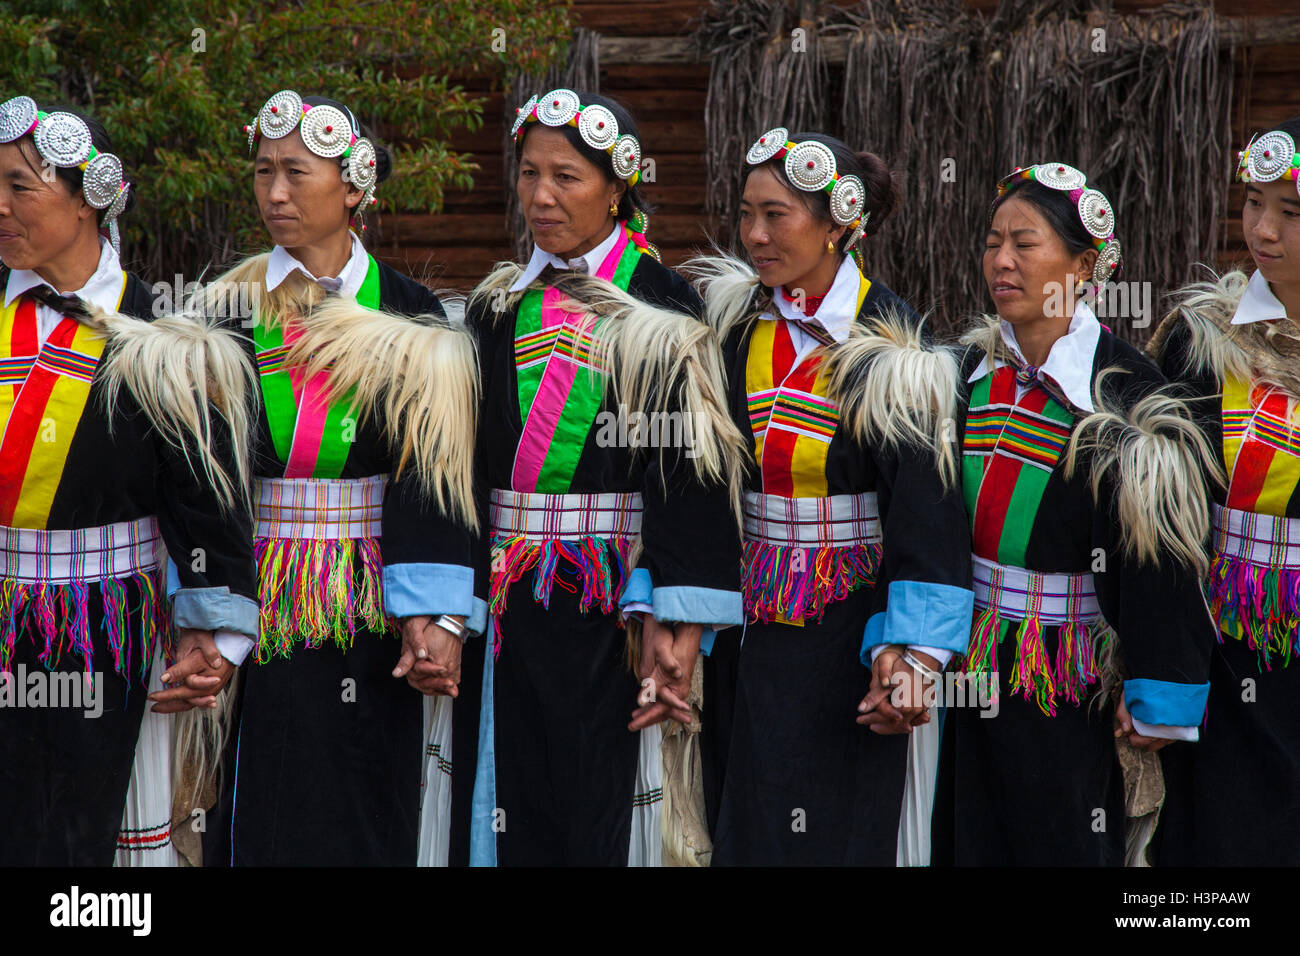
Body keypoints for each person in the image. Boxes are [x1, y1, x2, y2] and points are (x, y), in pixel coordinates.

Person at [462, 88, 745, 866]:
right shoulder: (497, 307)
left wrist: (674, 612)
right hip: (512, 598)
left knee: (605, 805)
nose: (541, 197)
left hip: (618, 603)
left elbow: (691, 472)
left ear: (618, 186)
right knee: (511, 798)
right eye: (528, 174)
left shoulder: (661, 301)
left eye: (567, 178)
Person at [200, 90, 481, 866]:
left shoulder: (411, 311)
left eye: (296, 172)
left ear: (354, 187)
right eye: (262, 172)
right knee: (262, 783)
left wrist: (436, 616)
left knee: (369, 781)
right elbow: (204, 473)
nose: (275, 193)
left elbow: (437, 473)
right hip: (259, 591)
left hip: (374, 594)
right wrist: (209, 608)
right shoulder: (225, 308)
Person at [686, 129, 972, 865]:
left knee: (839, 825)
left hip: (852, 629)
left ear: (841, 220)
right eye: (746, 213)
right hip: (749, 627)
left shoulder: (896, 345)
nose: (753, 235)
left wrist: (910, 652)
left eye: (776, 215)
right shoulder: (732, 325)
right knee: (744, 810)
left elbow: (926, 509)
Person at [931, 162, 1217, 865]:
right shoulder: (968, 374)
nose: (1001, 261)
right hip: (971, 667)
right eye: (993, 241)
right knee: (968, 834)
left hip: (1071, 680)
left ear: (1083, 265)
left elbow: (1163, 552)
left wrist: (1161, 686)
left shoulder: (1128, 391)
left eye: (1024, 244)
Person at [0, 95, 257, 865]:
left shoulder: (165, 340)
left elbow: (208, 505)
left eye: (19, 186)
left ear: (90, 200)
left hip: (109, 637)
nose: (0, 206)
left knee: (90, 839)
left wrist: (215, 633)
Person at [1150, 118, 1300, 864]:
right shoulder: (1202, 340)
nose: (1263, 230)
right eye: (1252, 202)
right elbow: (1160, 518)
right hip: (1220, 646)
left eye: (1290, 211)